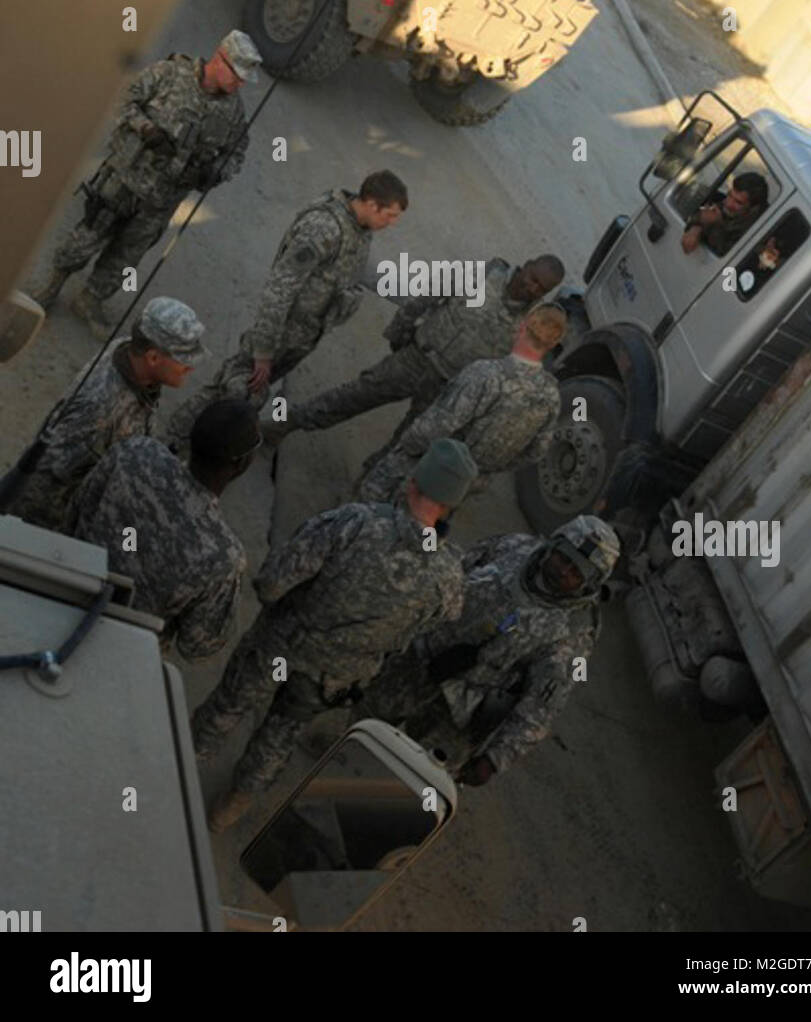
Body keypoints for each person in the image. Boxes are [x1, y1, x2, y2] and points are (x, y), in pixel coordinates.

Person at [193, 438, 477, 833]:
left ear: (414, 482)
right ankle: (227, 810)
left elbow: (272, 583)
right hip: (332, 679)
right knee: (279, 737)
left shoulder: (354, 523)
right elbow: (418, 635)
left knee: (228, 707)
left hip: (280, 648)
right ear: (451, 505)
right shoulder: (449, 580)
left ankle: (178, 767)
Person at [31, 30, 261, 337]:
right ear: (220, 58)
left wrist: (216, 172)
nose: (241, 83)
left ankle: (91, 299)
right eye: (237, 74)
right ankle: (51, 287)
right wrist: (147, 129)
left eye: (244, 79)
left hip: (163, 201)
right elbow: (124, 99)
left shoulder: (234, 113)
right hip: (124, 180)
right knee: (88, 235)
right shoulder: (169, 73)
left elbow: (237, 153)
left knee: (128, 255)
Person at [359, 516, 620, 785]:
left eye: (576, 572)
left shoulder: (575, 634)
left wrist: (494, 760)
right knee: (366, 724)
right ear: (553, 545)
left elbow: (543, 706)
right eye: (563, 558)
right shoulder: (513, 546)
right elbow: (452, 573)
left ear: (589, 584)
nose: (564, 572)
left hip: (460, 710)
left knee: (416, 779)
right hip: (421, 656)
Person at [164, 170, 408, 449]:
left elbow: (350, 272)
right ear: (372, 204)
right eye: (389, 216)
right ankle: (173, 438)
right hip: (279, 334)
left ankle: (208, 446)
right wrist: (264, 352)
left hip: (301, 337)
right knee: (229, 388)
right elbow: (279, 290)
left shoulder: (359, 229)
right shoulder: (323, 229)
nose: (391, 224)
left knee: (244, 397)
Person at [264, 254, 565, 446]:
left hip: (448, 391)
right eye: (533, 278)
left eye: (541, 288)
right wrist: (399, 330)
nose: (532, 288)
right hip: (417, 358)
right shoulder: (480, 274)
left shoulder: (531, 322)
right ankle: (286, 424)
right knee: (354, 395)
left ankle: (366, 503)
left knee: (407, 446)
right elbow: (426, 298)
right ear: (525, 266)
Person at [71, 399, 259, 661]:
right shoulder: (223, 556)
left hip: (68, 591)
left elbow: (78, 507)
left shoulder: (137, 451)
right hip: (128, 652)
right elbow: (197, 647)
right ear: (241, 464)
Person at [2, 296, 206, 533]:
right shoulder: (99, 411)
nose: (190, 367)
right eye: (184, 360)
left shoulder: (130, 351)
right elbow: (45, 480)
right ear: (153, 358)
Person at [357, 304, 566, 504]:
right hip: (465, 483)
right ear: (553, 344)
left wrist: (405, 447)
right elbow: (537, 451)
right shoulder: (551, 396)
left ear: (523, 325)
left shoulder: (485, 373)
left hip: (429, 464)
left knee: (371, 512)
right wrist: (485, 468)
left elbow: (439, 425)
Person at [680, 171, 768, 256]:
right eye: (729, 195)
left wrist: (717, 225)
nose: (728, 203)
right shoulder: (727, 206)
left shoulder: (756, 230)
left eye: (738, 202)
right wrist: (696, 228)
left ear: (753, 208)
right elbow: (703, 215)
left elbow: (725, 253)